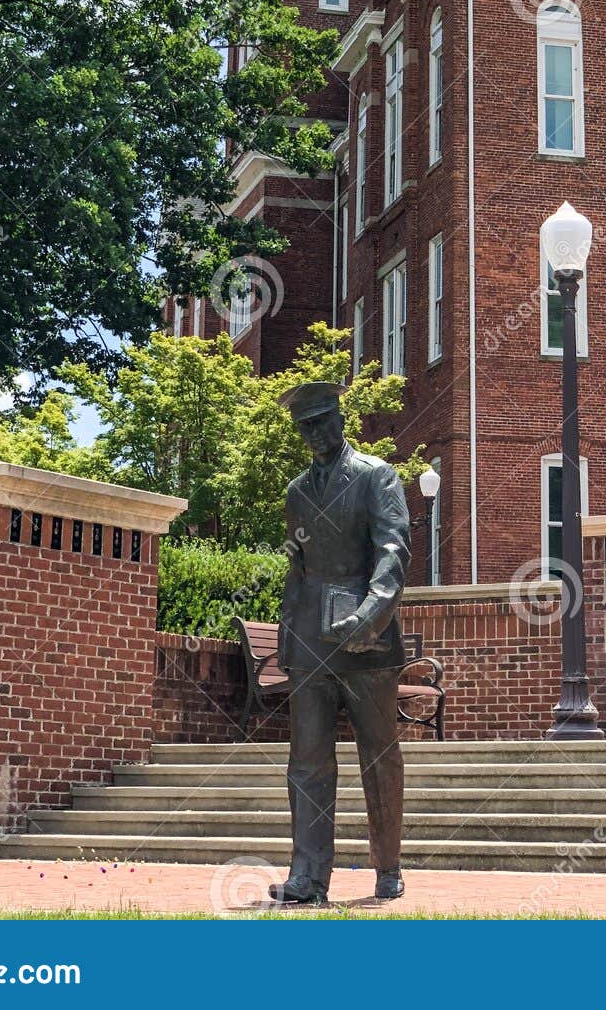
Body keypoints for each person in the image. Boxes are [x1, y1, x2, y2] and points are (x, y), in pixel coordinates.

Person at [269, 380, 410, 905]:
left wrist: (371, 614)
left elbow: (393, 554)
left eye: (324, 420)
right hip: (310, 639)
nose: (316, 432)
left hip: (367, 641)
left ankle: (387, 865)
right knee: (307, 759)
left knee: (379, 755)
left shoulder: (376, 477)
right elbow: (296, 570)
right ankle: (308, 876)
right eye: (306, 426)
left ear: (341, 418)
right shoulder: (297, 493)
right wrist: (288, 635)